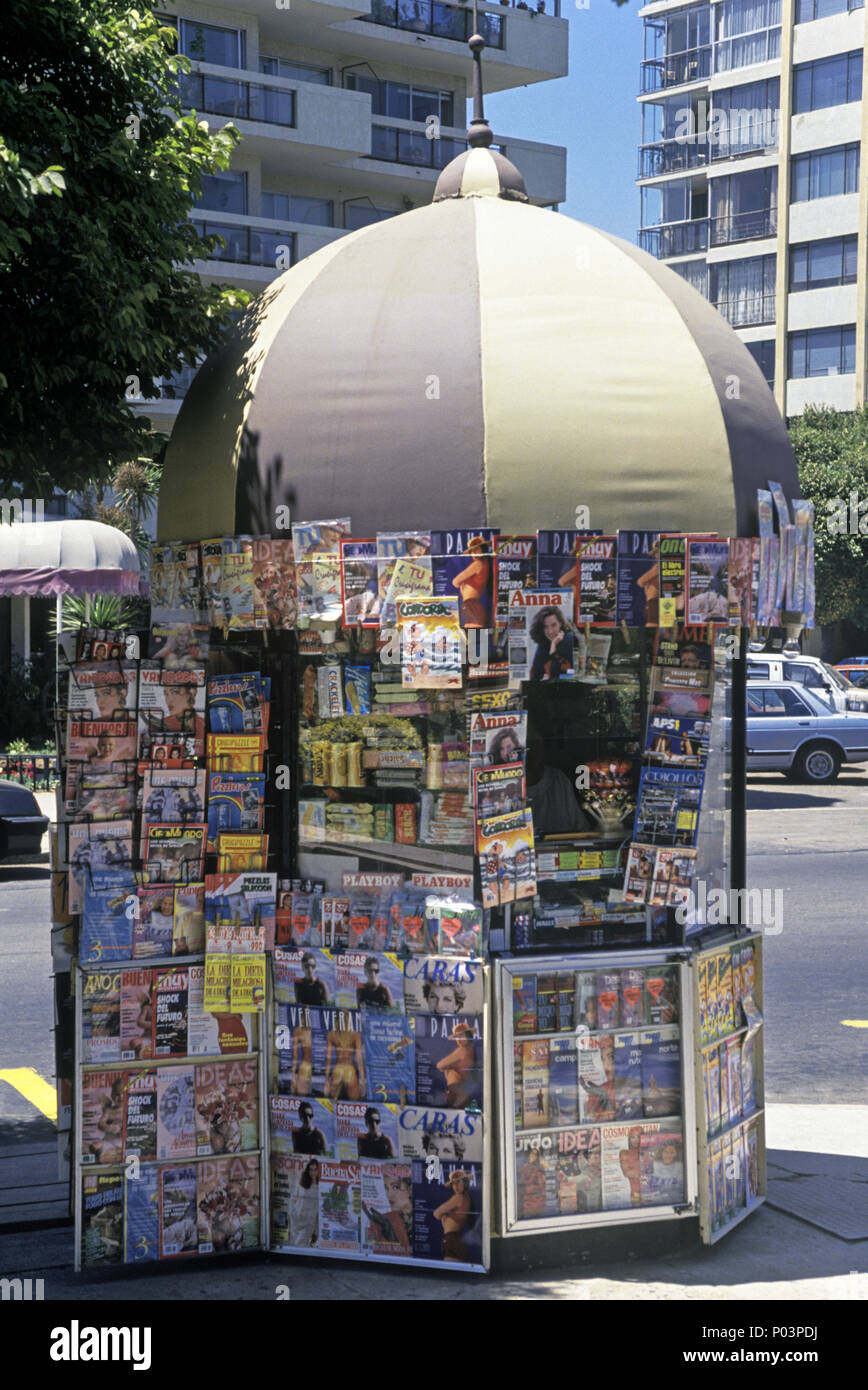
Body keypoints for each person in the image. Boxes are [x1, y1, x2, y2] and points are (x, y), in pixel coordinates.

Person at [525, 739, 591, 837]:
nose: (528, 751)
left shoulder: (558, 780)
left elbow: (582, 831)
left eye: (533, 744)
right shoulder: (501, 787)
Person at [362, 1167, 412, 1252]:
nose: (389, 1194)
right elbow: (371, 1251)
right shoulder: (380, 1220)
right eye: (386, 1188)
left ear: (409, 1189)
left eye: (395, 1187)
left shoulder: (424, 1217)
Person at [435, 1021, 478, 1109]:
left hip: (456, 1089)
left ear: (468, 1035)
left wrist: (448, 1067)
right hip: (459, 1090)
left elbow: (439, 1065)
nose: (459, 1040)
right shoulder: (470, 1049)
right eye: (457, 1037)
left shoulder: (462, 1050)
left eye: (461, 1036)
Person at [450, 536, 491, 628]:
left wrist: (462, 584)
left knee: (474, 639)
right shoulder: (484, 562)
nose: (474, 553)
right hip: (472, 605)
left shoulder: (477, 564)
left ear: (483, 550)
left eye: (477, 550)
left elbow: (455, 581)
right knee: (477, 639)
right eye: (472, 551)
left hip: (473, 604)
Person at [433, 1170, 474, 1261]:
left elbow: (436, 1213)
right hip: (455, 1238)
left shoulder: (458, 1198)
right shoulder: (467, 1197)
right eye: (453, 1183)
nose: (455, 1186)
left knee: (449, 1269)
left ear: (465, 1183)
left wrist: (444, 1216)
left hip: (451, 1238)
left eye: (458, 1182)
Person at [529, 606, 575, 680]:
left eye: (553, 625)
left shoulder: (569, 639)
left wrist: (553, 649)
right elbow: (534, 676)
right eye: (545, 627)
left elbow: (570, 673)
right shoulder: (543, 643)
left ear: (560, 623)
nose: (550, 631)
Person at [325, 1019, 365, 1100]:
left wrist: (326, 1080)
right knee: (354, 1104)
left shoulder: (331, 1034)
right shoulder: (355, 1035)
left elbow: (328, 1058)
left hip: (338, 1069)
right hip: (350, 1070)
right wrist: (362, 1081)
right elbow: (359, 1059)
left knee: (333, 1105)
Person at [290, 1159, 320, 1248]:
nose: (313, 1172)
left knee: (301, 1244)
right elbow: (294, 1199)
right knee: (296, 1243)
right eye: (311, 1170)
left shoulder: (321, 1186)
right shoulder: (302, 1183)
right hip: (298, 1219)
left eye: (315, 1170)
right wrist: (294, 1213)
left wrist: (316, 1230)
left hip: (310, 1221)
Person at [516, 1147, 548, 1219]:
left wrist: (525, 1190)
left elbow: (540, 1186)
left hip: (535, 1202)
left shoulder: (539, 1169)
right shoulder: (525, 1167)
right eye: (532, 1153)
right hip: (526, 1201)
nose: (533, 1155)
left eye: (535, 1154)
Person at [619, 1127, 643, 1207]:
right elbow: (627, 1173)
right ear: (629, 1139)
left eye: (639, 1136)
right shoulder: (624, 1153)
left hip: (650, 1192)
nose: (636, 1140)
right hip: (635, 1194)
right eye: (633, 1137)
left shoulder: (647, 1152)